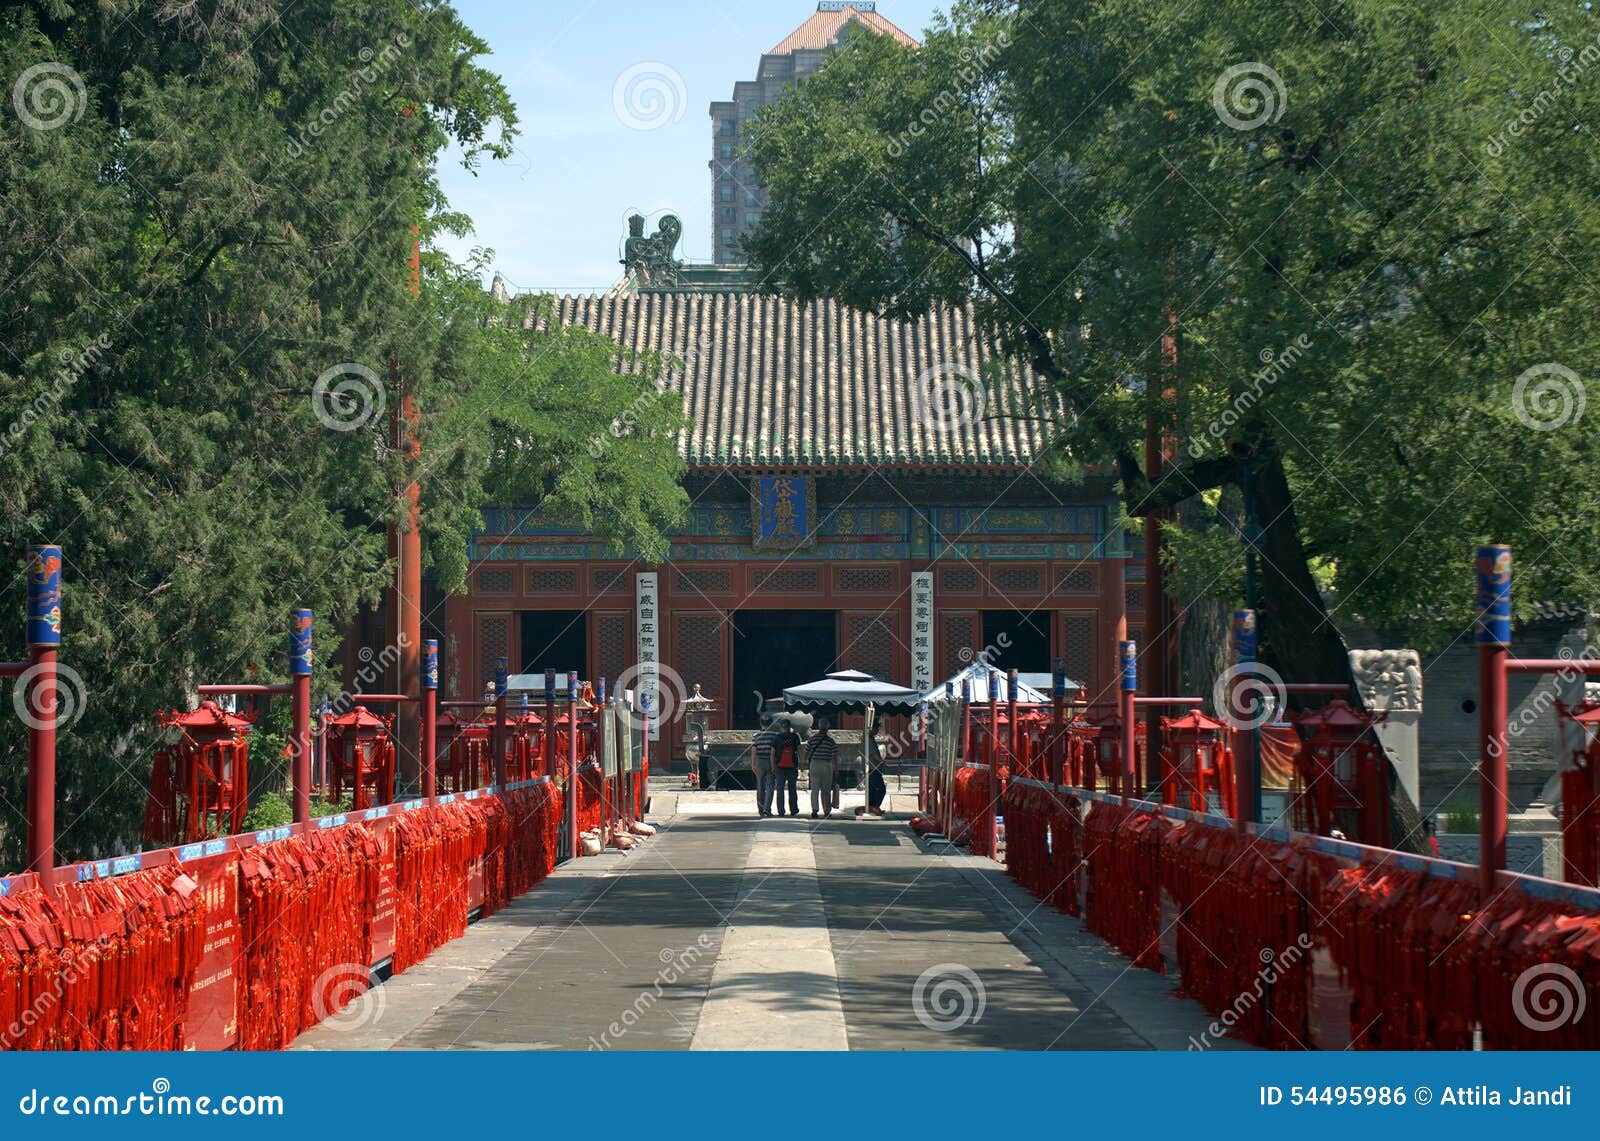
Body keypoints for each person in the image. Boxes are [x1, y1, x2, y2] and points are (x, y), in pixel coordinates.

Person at [807, 718, 838, 818]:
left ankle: (814, 810)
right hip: (826, 765)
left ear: (819, 726)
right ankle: (826, 811)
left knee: (815, 789)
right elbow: (834, 757)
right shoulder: (831, 741)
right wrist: (836, 769)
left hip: (814, 764)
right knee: (826, 790)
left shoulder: (812, 739)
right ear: (828, 727)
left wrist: (806, 765)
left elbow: (806, 753)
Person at [771, 716, 803, 817]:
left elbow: (772, 753)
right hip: (792, 766)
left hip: (780, 767)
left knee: (780, 789)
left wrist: (773, 766)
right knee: (792, 789)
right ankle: (794, 810)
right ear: (790, 727)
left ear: (781, 727)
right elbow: (799, 750)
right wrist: (802, 763)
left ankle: (781, 811)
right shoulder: (795, 737)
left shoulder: (777, 737)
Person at [751, 712, 778, 817]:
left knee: (760, 786)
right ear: (771, 723)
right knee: (770, 786)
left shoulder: (756, 736)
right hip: (771, 761)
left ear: (761, 724)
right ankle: (767, 809)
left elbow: (754, 750)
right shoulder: (775, 736)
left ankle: (761, 809)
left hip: (759, 761)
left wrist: (753, 764)